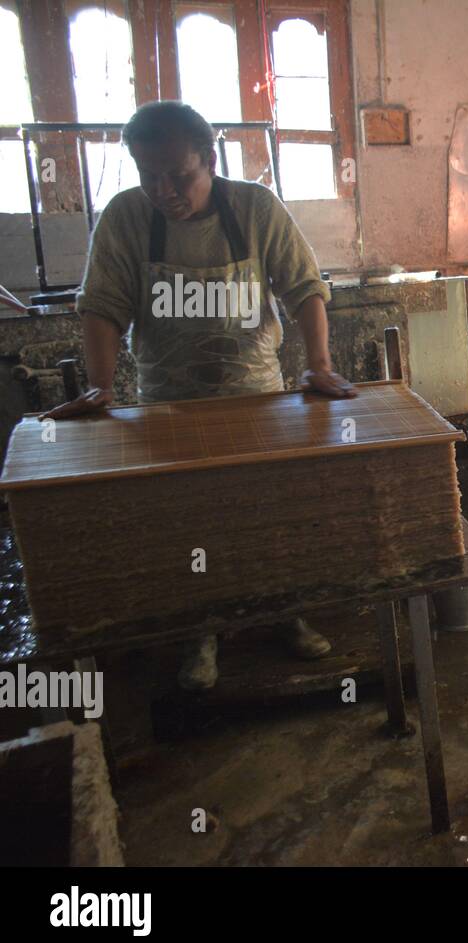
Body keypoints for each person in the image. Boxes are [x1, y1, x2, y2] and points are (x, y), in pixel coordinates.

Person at [46, 101, 357, 690]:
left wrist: (318, 366)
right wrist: (102, 385)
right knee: (192, 525)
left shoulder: (255, 209)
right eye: (148, 175)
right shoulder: (125, 218)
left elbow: (304, 288)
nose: (163, 189)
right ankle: (201, 633)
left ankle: (283, 615)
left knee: (264, 517)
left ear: (209, 161)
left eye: (179, 175)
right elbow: (104, 307)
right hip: (169, 406)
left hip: (256, 399)